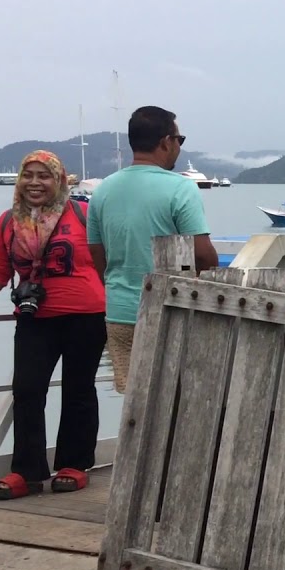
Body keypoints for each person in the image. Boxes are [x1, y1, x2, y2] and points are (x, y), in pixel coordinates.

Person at [0, 151, 106, 499]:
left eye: (44, 176)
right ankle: (27, 472)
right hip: (34, 317)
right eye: (29, 175)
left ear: (60, 179)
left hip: (86, 315)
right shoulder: (8, 222)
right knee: (27, 390)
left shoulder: (84, 215)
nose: (35, 183)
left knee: (78, 389)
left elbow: (110, 261)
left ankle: (74, 464)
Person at [88, 106, 218, 394]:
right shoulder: (180, 188)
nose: (179, 147)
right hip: (169, 310)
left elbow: (97, 255)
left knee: (134, 398)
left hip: (119, 312)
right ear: (165, 142)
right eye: (179, 139)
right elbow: (204, 254)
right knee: (173, 396)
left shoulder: (102, 191)